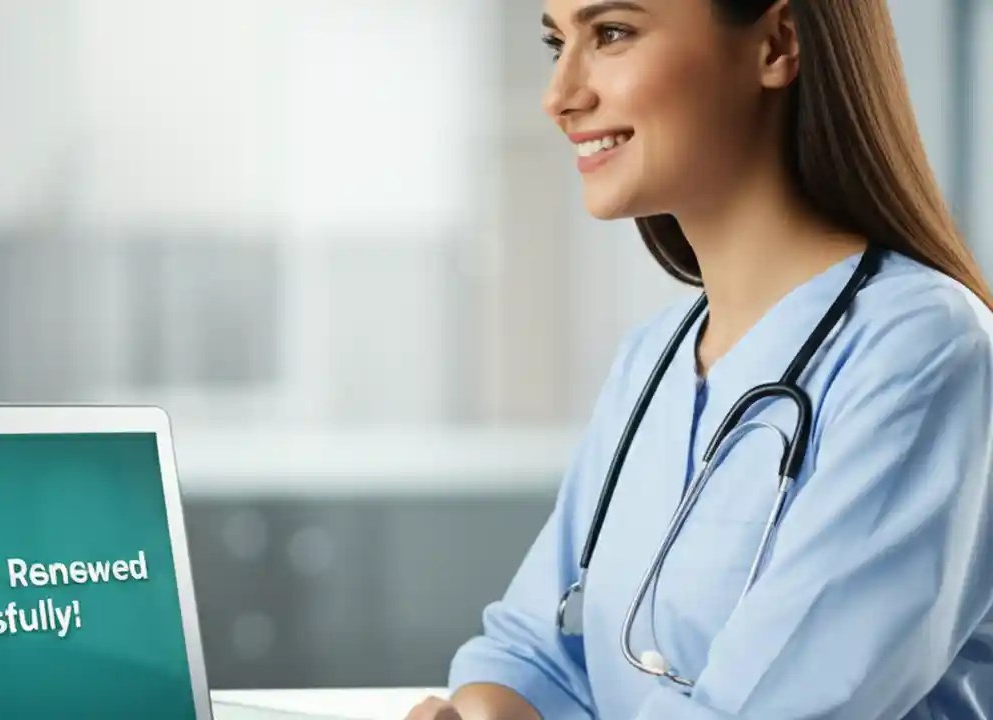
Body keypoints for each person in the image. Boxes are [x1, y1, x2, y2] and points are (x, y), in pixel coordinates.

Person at [406, 0, 993, 718]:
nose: (559, 95)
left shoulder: (924, 348)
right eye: (556, 43)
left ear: (776, 44)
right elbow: (531, 653)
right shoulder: (651, 360)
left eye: (612, 33)